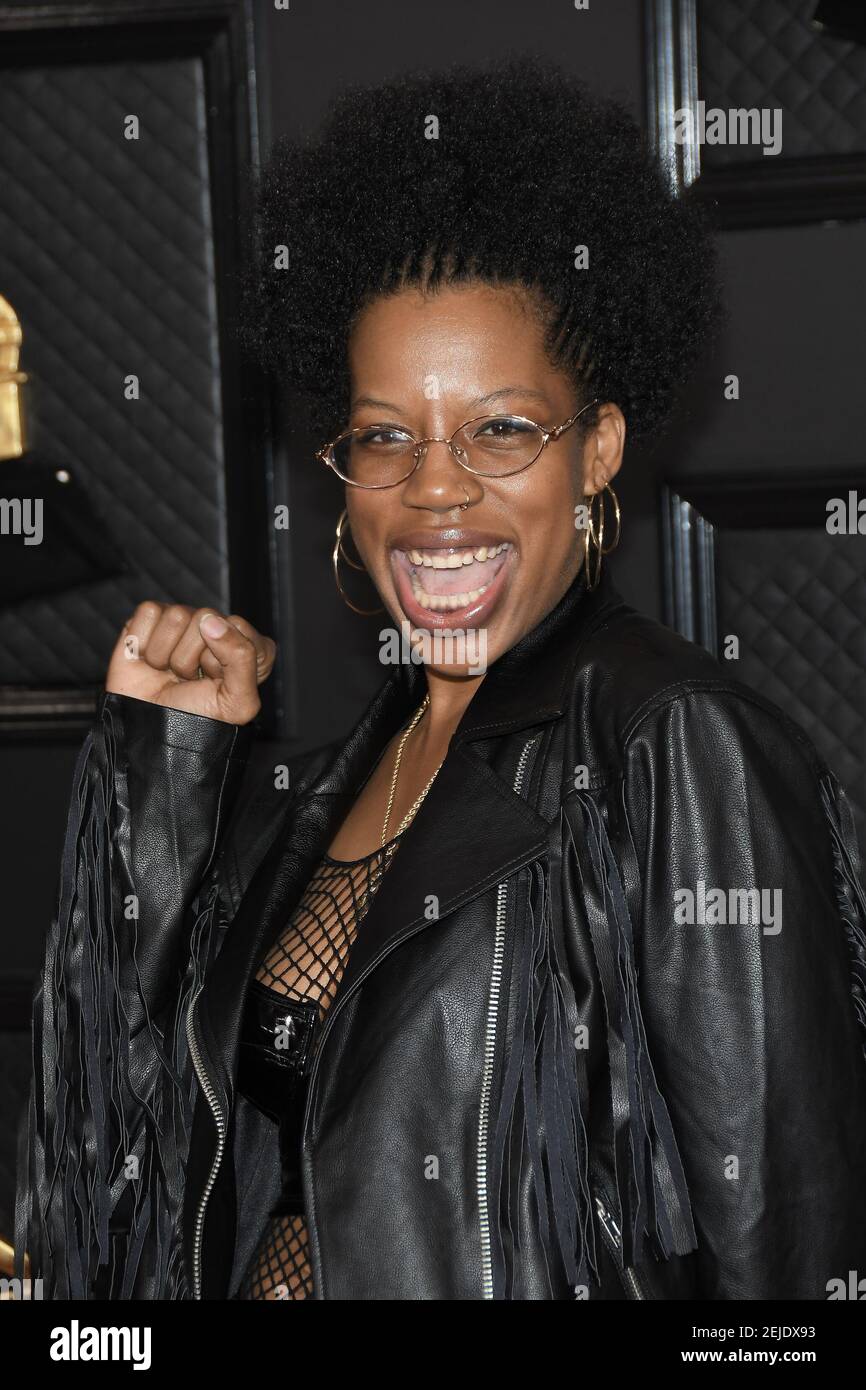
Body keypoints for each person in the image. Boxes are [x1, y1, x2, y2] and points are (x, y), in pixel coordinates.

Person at [15, 56, 866, 1302]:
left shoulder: (675, 742)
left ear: (597, 452)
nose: (433, 487)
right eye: (383, 435)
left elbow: (785, 1255)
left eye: (499, 428)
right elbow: (117, 1149)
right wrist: (171, 773)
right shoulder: (356, 754)